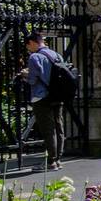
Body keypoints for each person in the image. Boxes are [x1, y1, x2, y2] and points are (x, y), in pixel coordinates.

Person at [22, 32, 66, 170]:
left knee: (48, 129)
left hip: (41, 97)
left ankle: (51, 162)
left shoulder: (35, 57)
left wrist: (24, 75)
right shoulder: (56, 55)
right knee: (59, 127)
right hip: (58, 95)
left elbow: (33, 80)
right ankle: (58, 159)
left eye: (28, 46)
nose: (28, 49)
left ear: (33, 43)